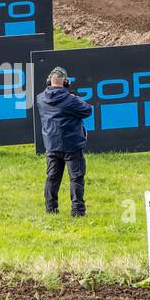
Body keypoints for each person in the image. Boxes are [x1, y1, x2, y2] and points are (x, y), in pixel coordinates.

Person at [35, 66, 93, 217]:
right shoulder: (70, 100)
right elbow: (87, 110)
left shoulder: (40, 98)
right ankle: (78, 211)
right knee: (76, 178)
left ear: (49, 81)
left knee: (52, 178)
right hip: (72, 145)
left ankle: (50, 209)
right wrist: (73, 96)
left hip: (52, 145)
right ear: (66, 82)